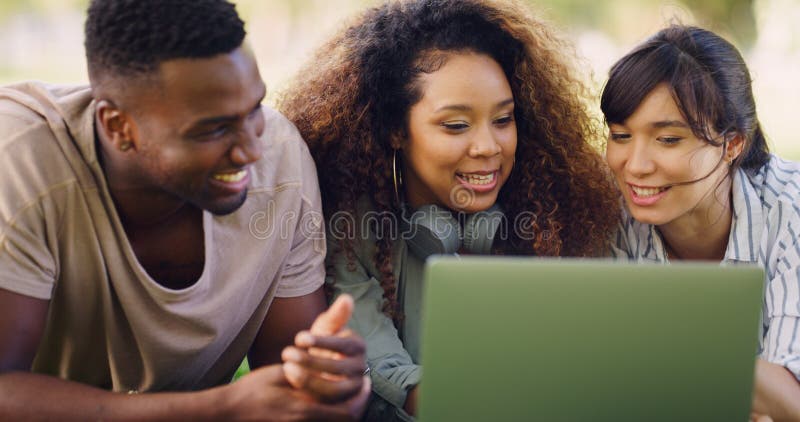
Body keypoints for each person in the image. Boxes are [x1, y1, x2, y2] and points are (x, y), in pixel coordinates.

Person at [0, 0, 370, 420]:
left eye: (254, 111)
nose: (251, 150)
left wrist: (320, 379)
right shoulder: (18, 162)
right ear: (119, 127)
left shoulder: (279, 161)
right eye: (213, 129)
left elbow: (288, 379)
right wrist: (221, 407)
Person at [279, 0, 621, 419]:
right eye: (456, 125)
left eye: (503, 119)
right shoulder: (353, 228)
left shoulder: (553, 212)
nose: (488, 147)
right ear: (395, 131)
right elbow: (393, 377)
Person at [603, 25, 800, 421]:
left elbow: (791, 402)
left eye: (668, 140)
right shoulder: (605, 210)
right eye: (621, 136)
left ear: (732, 145)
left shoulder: (788, 210)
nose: (635, 166)